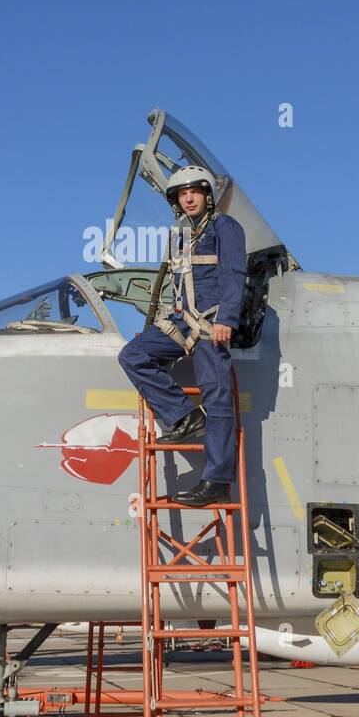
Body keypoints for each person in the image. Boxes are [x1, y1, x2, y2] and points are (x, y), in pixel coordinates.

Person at [118, 166, 247, 507]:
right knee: (132, 356)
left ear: (207, 194)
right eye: (181, 194)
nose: (188, 198)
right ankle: (185, 416)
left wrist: (227, 320)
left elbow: (234, 274)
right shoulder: (181, 235)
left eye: (195, 192)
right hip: (180, 323)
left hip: (210, 325)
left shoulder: (225, 227)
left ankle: (217, 479)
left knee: (216, 397)